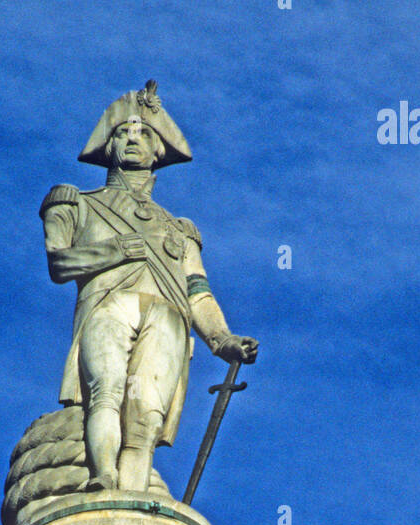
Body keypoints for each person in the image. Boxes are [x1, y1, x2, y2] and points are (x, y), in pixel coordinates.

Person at [40, 80, 258, 493]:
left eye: (143, 134)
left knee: (145, 417)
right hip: (108, 305)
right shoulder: (75, 202)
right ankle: (103, 478)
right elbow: (59, 263)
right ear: (109, 145)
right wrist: (116, 251)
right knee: (106, 392)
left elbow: (198, 292)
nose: (132, 140)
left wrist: (222, 340)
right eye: (123, 132)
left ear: (158, 150)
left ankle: (132, 495)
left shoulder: (181, 230)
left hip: (168, 316)